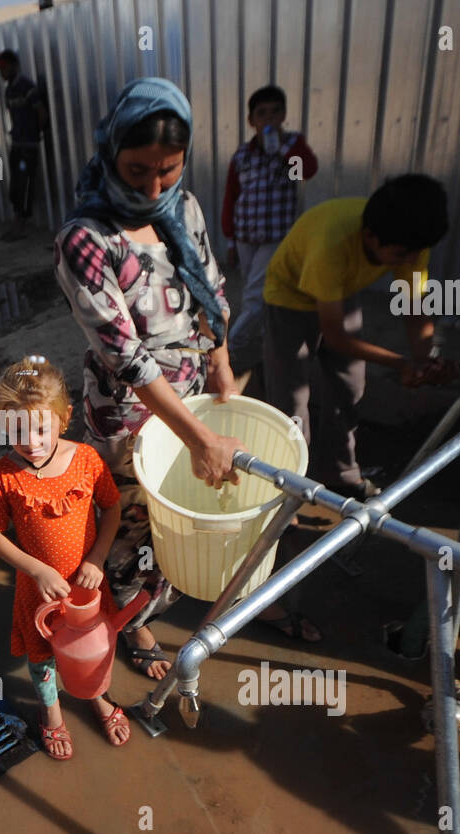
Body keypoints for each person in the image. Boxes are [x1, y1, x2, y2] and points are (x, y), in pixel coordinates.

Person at [54, 77, 322, 652]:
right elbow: (123, 354)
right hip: (128, 410)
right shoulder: (86, 239)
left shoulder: (185, 208)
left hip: (193, 391)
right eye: (137, 171)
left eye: (169, 168)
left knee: (191, 515)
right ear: (109, 154)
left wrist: (220, 363)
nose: (154, 187)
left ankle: (202, 593)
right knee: (130, 519)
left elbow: (211, 292)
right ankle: (132, 620)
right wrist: (200, 437)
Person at [261, 174, 455, 499]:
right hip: (288, 299)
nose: (409, 261)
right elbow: (337, 337)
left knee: (350, 389)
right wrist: (402, 363)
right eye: (400, 255)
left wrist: (425, 362)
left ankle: (339, 474)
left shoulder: (409, 241)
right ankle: (286, 493)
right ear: (369, 236)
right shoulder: (332, 244)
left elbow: (415, 311)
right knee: (292, 402)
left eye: (415, 254)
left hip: (339, 293)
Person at [0, 357, 129, 756]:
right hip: (39, 593)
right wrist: (36, 569)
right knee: (43, 655)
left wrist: (97, 560)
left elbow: (112, 508)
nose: (30, 441)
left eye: (41, 429)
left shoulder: (85, 460)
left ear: (64, 419)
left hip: (86, 589)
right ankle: (52, 713)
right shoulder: (3, 476)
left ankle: (96, 695)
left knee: (92, 647)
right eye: (16, 431)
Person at [220, 84, 319, 382]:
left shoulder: (291, 148)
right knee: (258, 293)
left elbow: (306, 171)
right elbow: (232, 196)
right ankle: (268, 342)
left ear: (284, 115)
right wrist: (230, 238)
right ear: (251, 120)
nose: (268, 119)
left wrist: (284, 149)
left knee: (253, 296)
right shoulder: (243, 156)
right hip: (247, 236)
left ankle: (229, 347)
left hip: (276, 237)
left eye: (275, 112)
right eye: (261, 114)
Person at [0, 49, 48, 241]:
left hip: (28, 145)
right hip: (17, 143)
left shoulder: (27, 86)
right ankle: (17, 221)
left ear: (14, 66)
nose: (2, 73)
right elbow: (11, 113)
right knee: (15, 184)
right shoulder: (9, 90)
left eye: (4, 68)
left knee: (24, 183)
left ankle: (21, 225)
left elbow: (41, 112)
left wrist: (36, 133)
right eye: (0, 69)